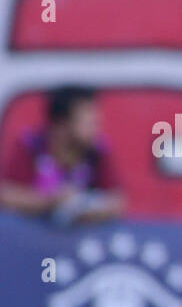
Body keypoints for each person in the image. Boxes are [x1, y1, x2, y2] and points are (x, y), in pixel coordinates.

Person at [0, 85, 124, 226]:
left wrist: (84, 209)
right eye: (89, 123)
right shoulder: (31, 147)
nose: (97, 128)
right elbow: (6, 194)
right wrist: (50, 202)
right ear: (62, 124)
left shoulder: (97, 152)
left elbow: (117, 201)